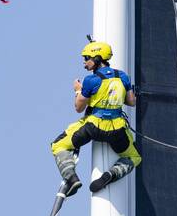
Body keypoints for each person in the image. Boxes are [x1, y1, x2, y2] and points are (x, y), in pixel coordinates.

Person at [49, 40, 141, 195]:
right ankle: (111, 174)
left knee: (58, 145)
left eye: (87, 58)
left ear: (97, 58)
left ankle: (72, 178)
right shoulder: (123, 77)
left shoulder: (91, 80)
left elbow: (79, 108)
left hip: (93, 127)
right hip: (117, 130)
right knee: (134, 156)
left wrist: (78, 90)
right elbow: (132, 102)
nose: (85, 63)